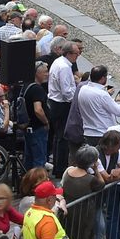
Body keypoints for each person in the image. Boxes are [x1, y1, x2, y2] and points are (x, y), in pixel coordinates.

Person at [62, 145, 107, 239]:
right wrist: (96, 170)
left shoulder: (69, 171)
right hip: (84, 213)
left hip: (71, 212)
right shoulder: (90, 179)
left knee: (82, 237)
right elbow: (101, 183)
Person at [78, 65, 120, 145]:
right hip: (102, 134)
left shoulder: (83, 89)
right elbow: (119, 112)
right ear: (103, 78)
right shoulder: (102, 94)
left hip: (88, 133)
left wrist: (114, 100)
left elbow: (98, 105)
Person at [48, 41, 80, 172]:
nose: (78, 56)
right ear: (69, 54)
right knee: (63, 137)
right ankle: (60, 168)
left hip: (55, 102)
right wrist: (75, 103)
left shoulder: (58, 62)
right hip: (62, 105)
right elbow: (66, 91)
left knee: (58, 136)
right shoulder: (64, 67)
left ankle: (58, 166)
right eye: (76, 53)